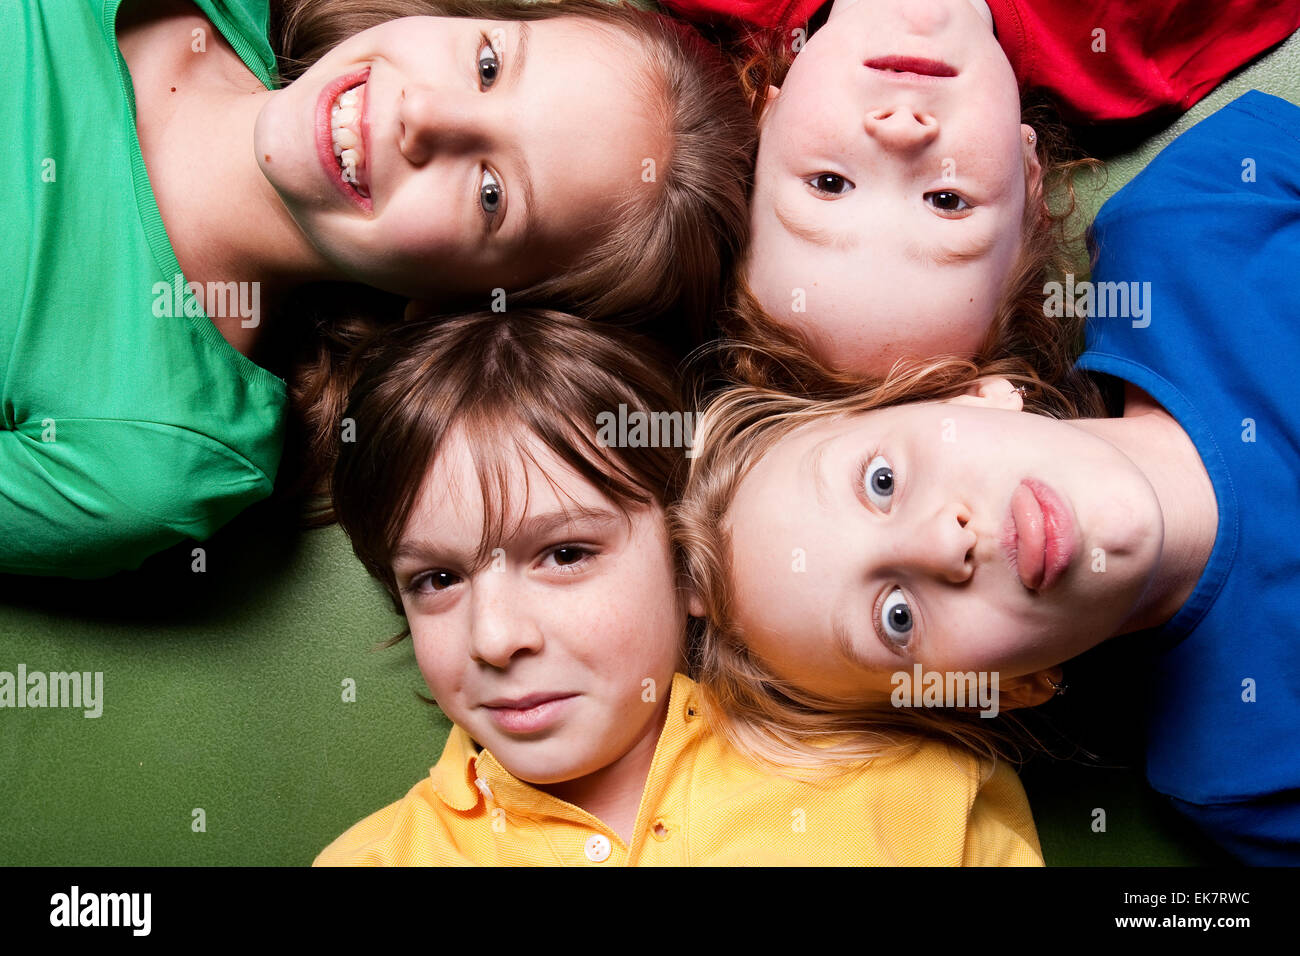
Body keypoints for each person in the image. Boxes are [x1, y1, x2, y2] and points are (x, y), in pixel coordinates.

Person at [672, 91, 1300, 863]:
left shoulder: (1196, 225)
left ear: (967, 390)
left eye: (881, 483)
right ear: (1008, 690)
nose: (944, 541)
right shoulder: (1239, 775)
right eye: (896, 617)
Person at [1, 0, 755, 577]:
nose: (423, 113)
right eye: (488, 66)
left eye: (491, 193)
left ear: (460, 308)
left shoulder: (158, 448)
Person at [313, 310, 1043, 865]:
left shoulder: (913, 788)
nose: (496, 638)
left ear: (690, 556)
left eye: (566, 554)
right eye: (438, 579)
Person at [657, 0, 1300, 387]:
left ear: (762, 119)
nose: (903, 131)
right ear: (1029, 174)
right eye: (946, 200)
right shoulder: (1125, 49)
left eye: (831, 184)